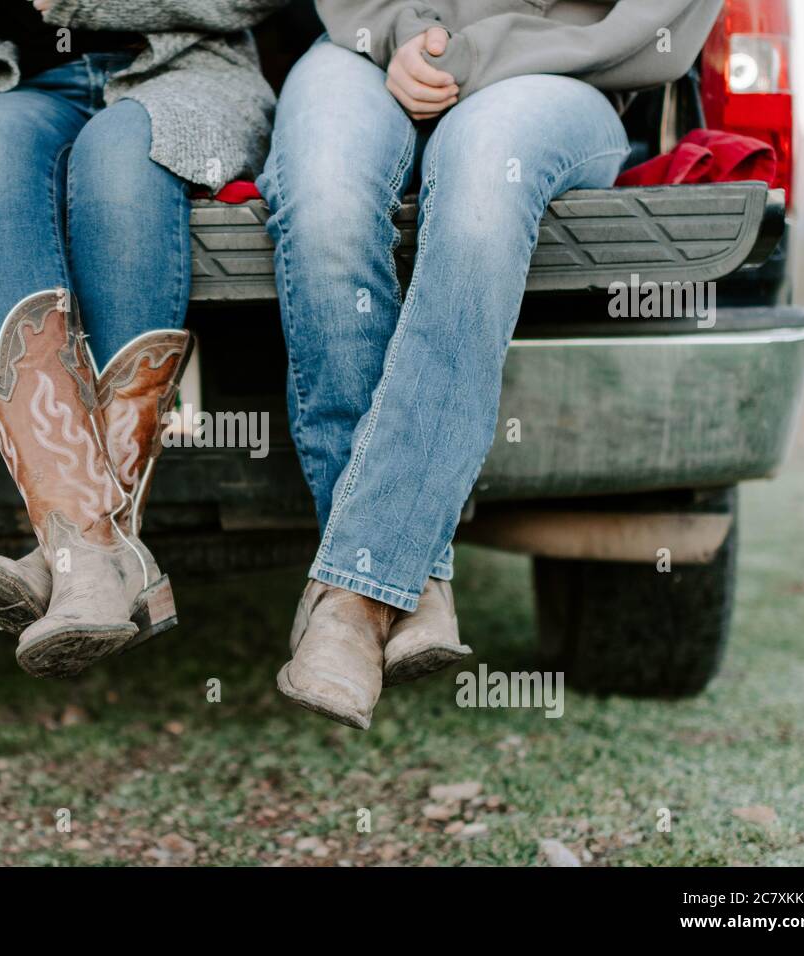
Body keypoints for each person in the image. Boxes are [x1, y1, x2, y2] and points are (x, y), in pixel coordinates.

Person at [257, 0, 723, 728]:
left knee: (481, 192)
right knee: (321, 199)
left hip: (564, 71)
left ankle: (356, 597)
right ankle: (412, 575)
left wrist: (462, 54)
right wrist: (405, 31)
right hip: (364, 44)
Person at [0, 0, 286, 678]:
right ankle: (98, 554)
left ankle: (77, 561)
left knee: (122, 168)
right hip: (4, 79)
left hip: (186, 73)